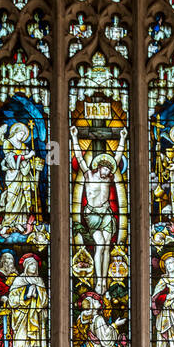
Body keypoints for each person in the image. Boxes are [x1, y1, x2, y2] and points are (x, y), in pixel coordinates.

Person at [70, 125, 127, 296]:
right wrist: (74, 137)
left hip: (106, 213)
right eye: (106, 168)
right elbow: (79, 157)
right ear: (99, 167)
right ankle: (97, 279)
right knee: (99, 244)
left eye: (110, 169)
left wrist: (123, 138)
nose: (109, 171)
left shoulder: (109, 176)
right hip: (93, 214)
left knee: (107, 246)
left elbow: (116, 159)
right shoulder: (88, 175)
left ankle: (103, 280)